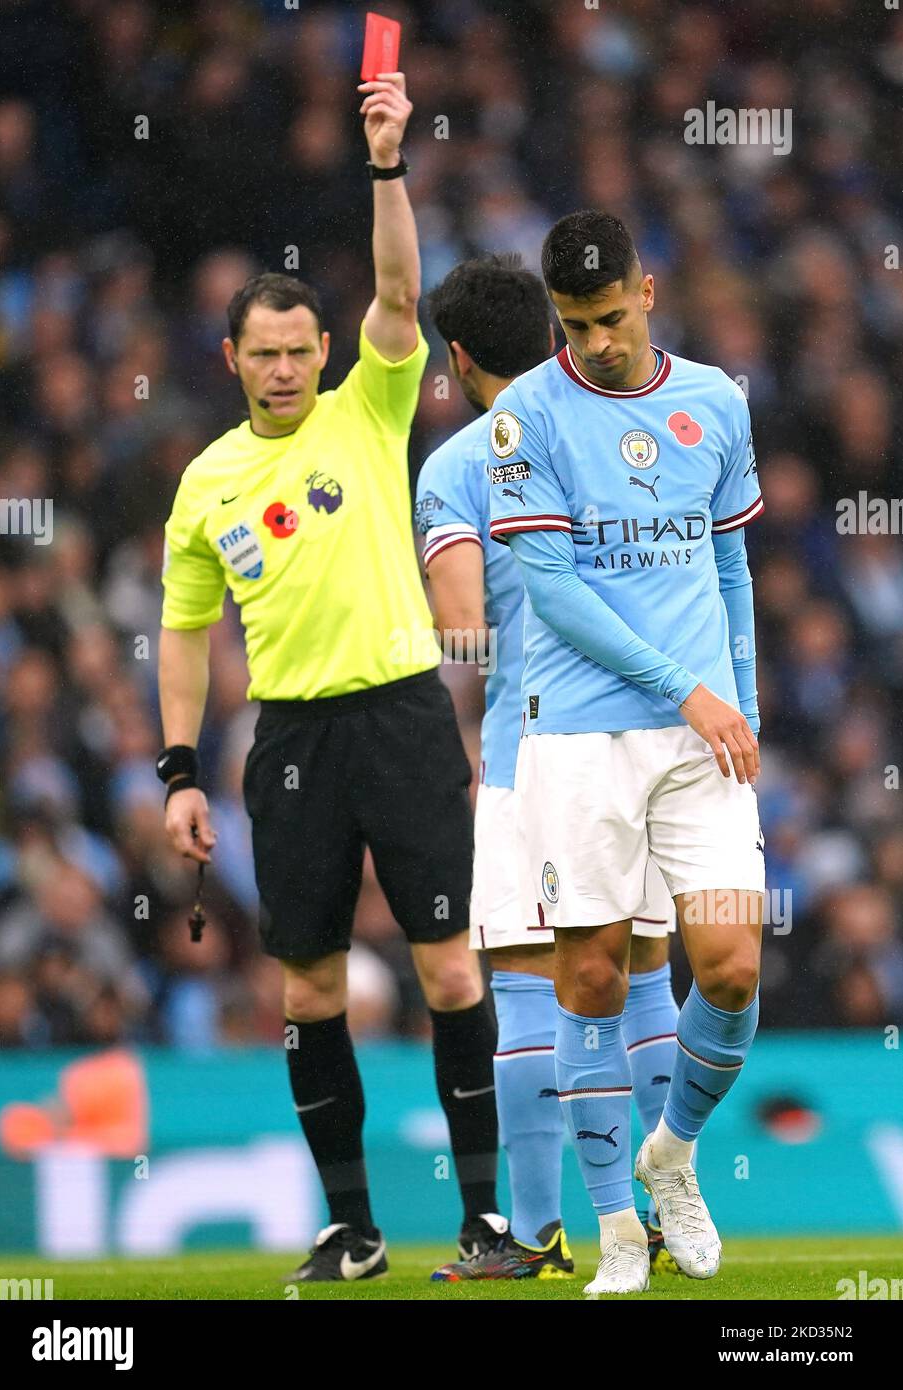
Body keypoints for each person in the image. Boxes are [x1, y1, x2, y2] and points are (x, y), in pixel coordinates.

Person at [156, 70, 503, 1283]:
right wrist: (181, 772)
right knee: (309, 987)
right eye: (269, 354)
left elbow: (401, 289)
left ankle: (481, 1222)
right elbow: (184, 636)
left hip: (406, 713)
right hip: (291, 739)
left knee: (450, 963)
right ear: (233, 358)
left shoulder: (371, 408)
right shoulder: (203, 486)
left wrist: (387, 162)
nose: (291, 370)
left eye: (306, 349)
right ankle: (353, 1228)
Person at [488, 211, 765, 1296]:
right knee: (593, 975)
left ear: (647, 290)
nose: (596, 340)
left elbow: (731, 562)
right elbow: (555, 591)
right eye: (574, 324)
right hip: (579, 734)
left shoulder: (716, 400)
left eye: (610, 317)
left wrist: (738, 693)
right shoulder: (526, 420)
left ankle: (674, 1153)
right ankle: (613, 1233)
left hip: (702, 729)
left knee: (734, 967)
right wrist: (690, 689)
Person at [414, 255, 680, 1282]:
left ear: (460, 359)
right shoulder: (620, 428)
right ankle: (662, 1217)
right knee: (646, 974)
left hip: (538, 753)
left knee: (529, 984)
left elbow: (465, 631)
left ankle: (531, 1236)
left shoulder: (459, 465)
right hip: (653, 741)